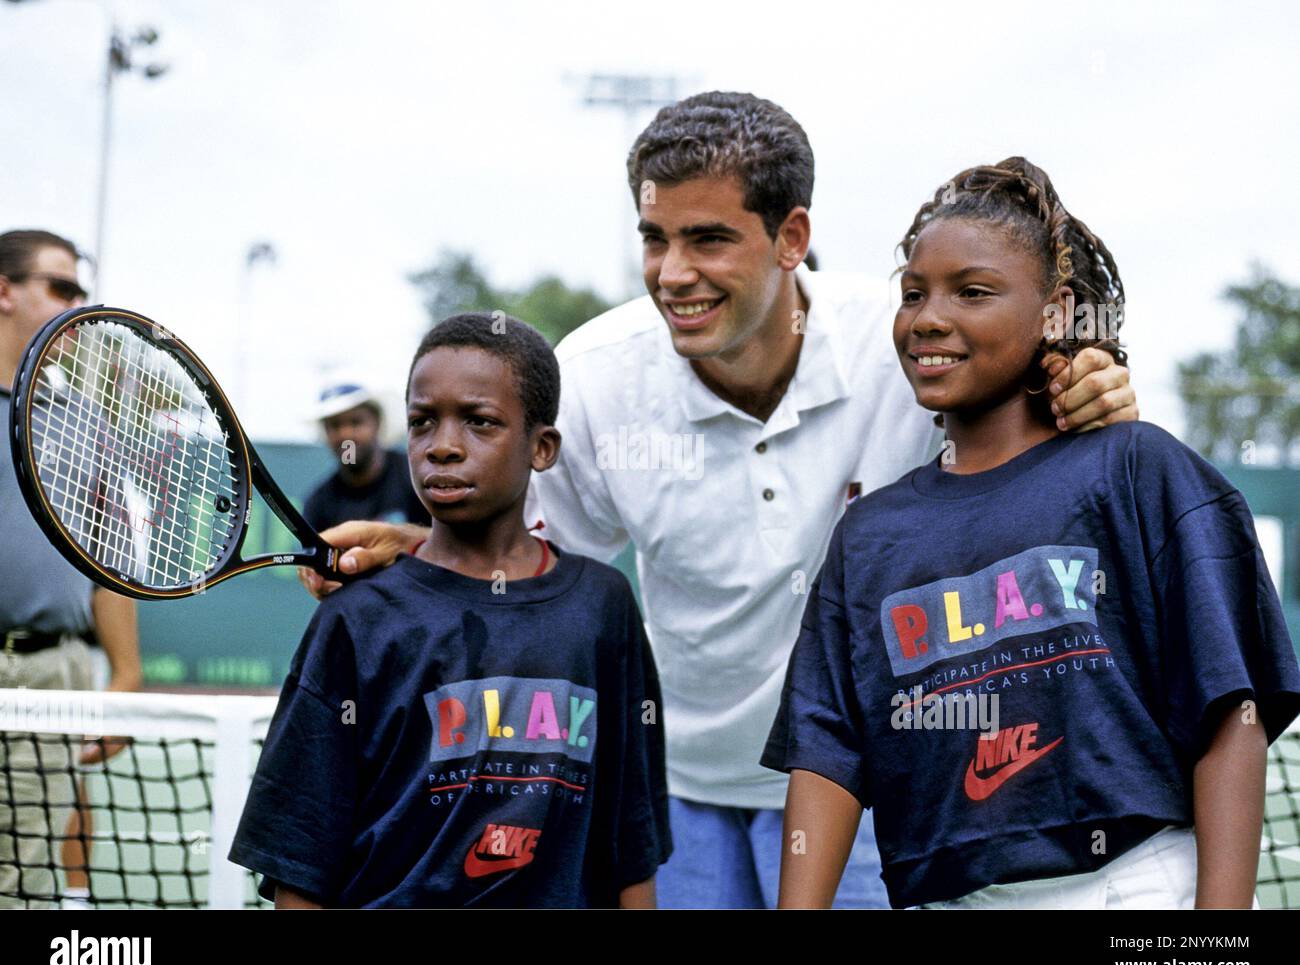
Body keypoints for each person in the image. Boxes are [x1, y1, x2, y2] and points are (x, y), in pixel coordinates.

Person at [299, 93, 1139, 908]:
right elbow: (524, 566)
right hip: (681, 791)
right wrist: (420, 550)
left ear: (791, 237)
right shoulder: (594, 376)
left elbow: (1036, 423)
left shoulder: (910, 342)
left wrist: (1084, 385)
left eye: (708, 240)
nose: (673, 273)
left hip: (872, 789)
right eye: (654, 239)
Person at [763, 157, 1300, 909]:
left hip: (1134, 890)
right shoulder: (868, 535)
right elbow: (827, 754)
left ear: (1055, 314)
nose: (928, 317)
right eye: (913, 294)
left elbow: (1230, 715)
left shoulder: (1137, 468)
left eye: (972, 292)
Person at [230, 313, 671, 907]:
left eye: (480, 422)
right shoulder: (354, 620)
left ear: (542, 448)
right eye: (422, 422)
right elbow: (299, 863)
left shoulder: (602, 607)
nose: (442, 445)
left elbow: (630, 849)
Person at [0, 229, 143, 909]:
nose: (79, 305)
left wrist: (124, 675)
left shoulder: (87, 422)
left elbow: (104, 560)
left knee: (22, 887)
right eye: (61, 287)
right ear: (4, 291)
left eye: (82, 291)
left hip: (53, 676)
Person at [302, 382, 430, 531]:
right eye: (335, 425)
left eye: (356, 422)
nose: (346, 435)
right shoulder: (318, 505)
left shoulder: (416, 477)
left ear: (377, 422)